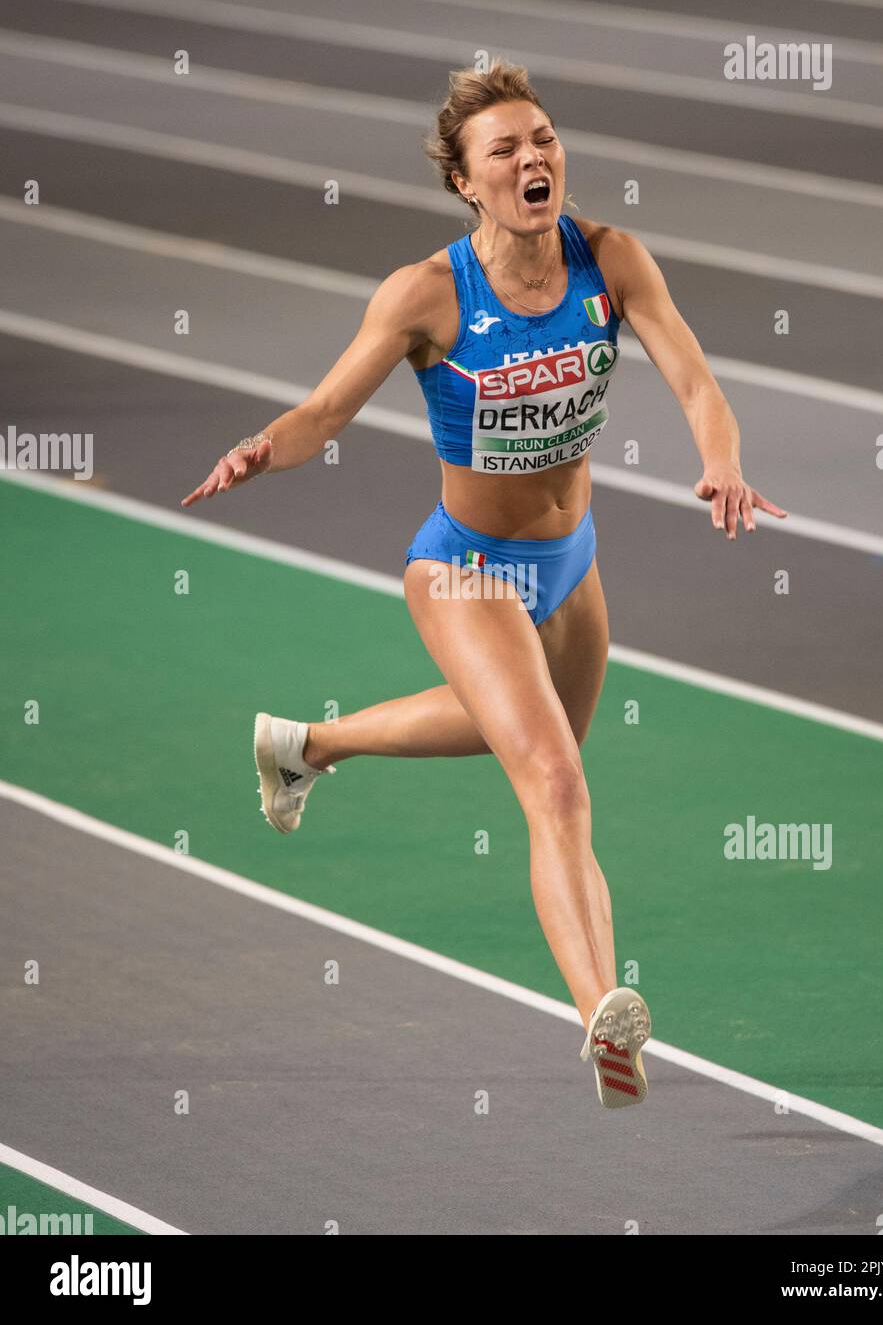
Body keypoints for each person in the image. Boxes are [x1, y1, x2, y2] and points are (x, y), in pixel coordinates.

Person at [182, 60, 787, 1110]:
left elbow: (694, 376)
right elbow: (326, 413)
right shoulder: (429, 293)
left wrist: (723, 458)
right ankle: (605, 1013)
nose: (533, 158)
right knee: (551, 777)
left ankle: (306, 745)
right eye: (504, 149)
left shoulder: (611, 259)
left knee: (549, 761)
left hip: (574, 559)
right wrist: (259, 448)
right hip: (463, 566)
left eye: (543, 138)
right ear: (467, 182)